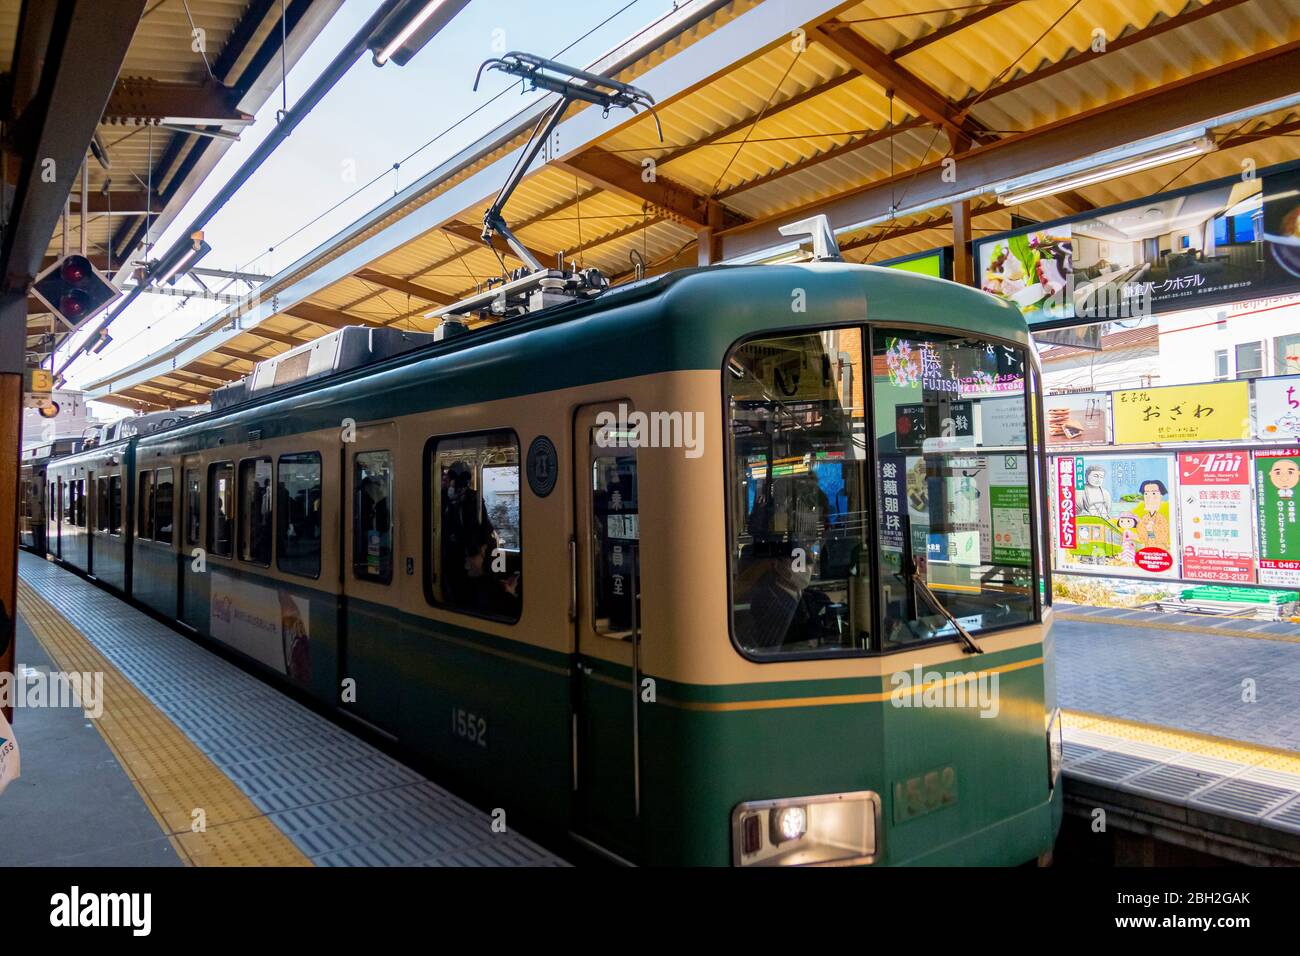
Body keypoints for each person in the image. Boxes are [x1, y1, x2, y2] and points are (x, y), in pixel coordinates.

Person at [440, 461, 493, 606]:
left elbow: (482, 529)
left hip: (470, 555)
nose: (451, 484)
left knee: (470, 593)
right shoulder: (443, 500)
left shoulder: (473, 500)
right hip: (452, 556)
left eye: (451, 480)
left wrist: (479, 552)